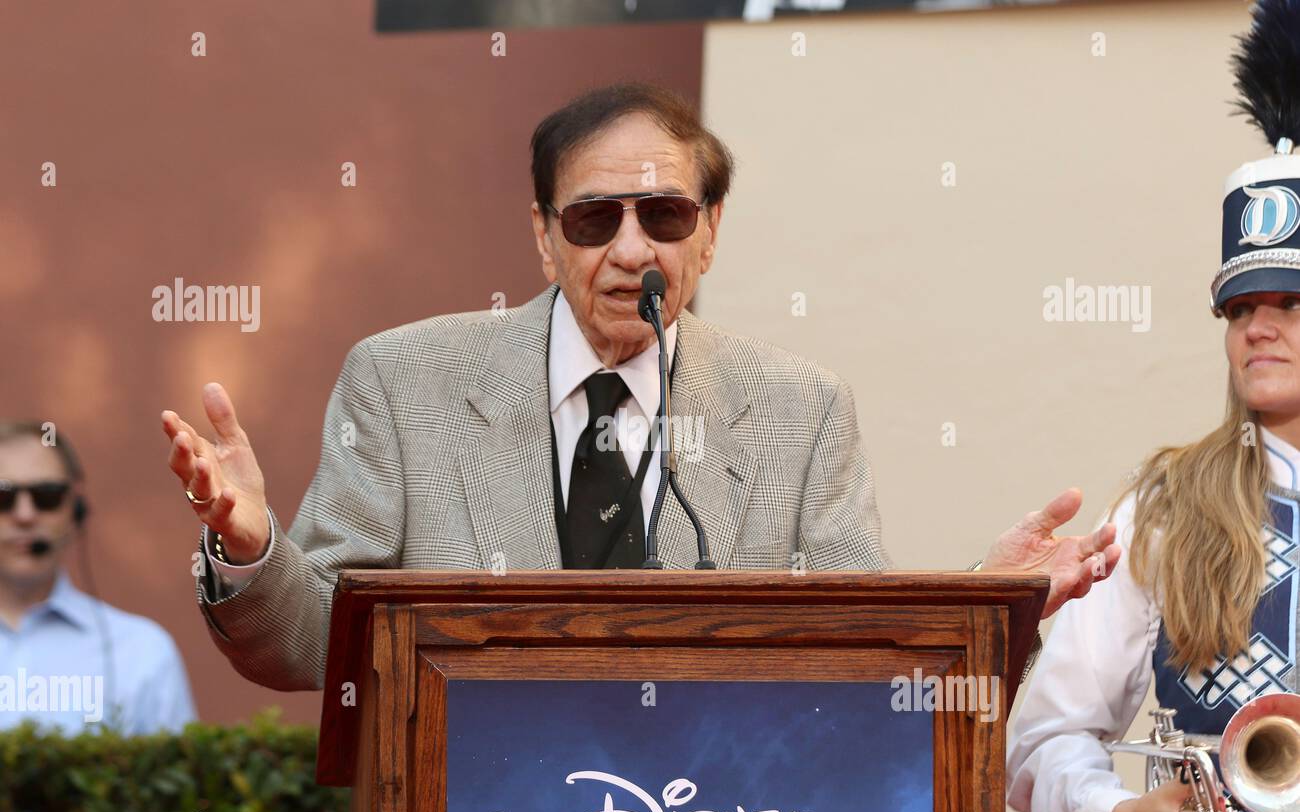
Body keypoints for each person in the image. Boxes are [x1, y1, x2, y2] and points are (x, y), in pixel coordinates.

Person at [161, 82, 1118, 692]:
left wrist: (989, 605)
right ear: (542, 235)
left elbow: (858, 661)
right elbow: (307, 649)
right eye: (592, 219)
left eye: (662, 214)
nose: (630, 250)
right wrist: (251, 550)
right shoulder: (405, 381)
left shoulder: (800, 408)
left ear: (708, 232)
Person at [1008, 0, 1300, 812]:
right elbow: (1045, 738)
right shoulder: (1167, 505)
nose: (1259, 329)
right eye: (1241, 308)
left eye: (1291, 304)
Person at [0, 422, 196, 734]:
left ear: (75, 510)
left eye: (47, 496)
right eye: (4, 496)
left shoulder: (142, 651)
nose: (25, 515)